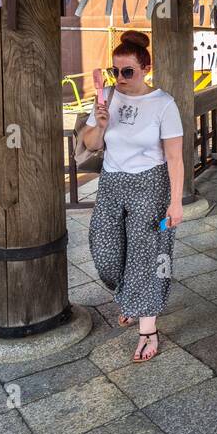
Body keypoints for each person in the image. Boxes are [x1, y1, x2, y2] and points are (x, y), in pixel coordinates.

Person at [81, 31, 184, 364]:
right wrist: (99, 123)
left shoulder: (163, 103)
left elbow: (175, 158)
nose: (120, 78)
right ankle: (129, 294)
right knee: (105, 251)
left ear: (145, 68)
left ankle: (147, 328)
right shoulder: (107, 97)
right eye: (115, 71)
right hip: (112, 182)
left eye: (128, 71)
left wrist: (176, 201)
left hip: (150, 184)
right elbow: (92, 145)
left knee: (146, 255)